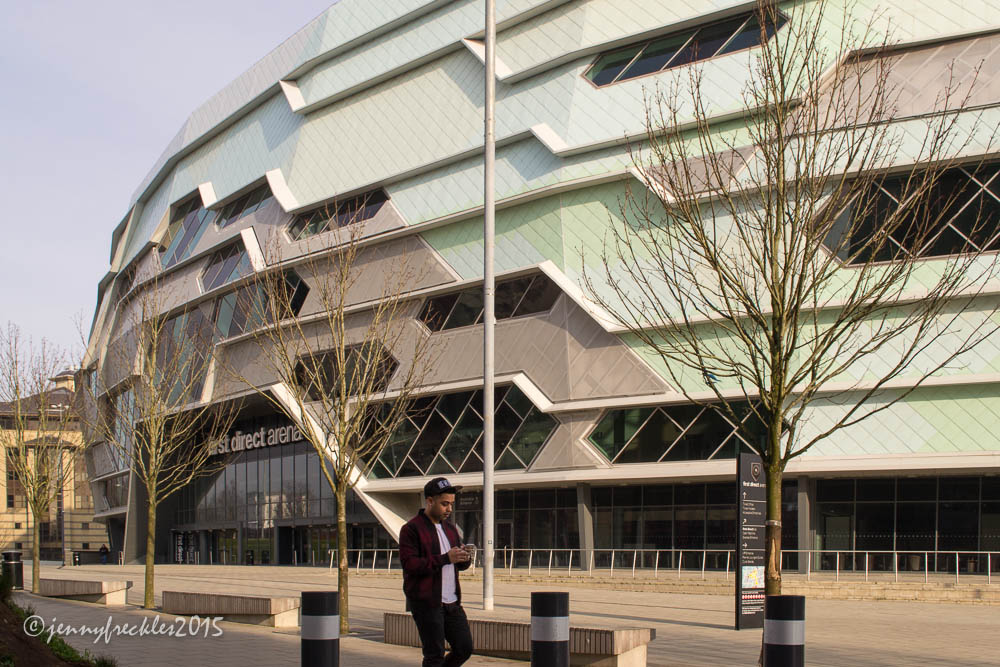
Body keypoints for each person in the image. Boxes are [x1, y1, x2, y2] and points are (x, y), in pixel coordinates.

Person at [399, 477, 474, 667]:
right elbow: (410, 565)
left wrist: (464, 557)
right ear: (430, 501)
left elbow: (457, 565)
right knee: (434, 655)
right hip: (427, 602)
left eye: (451, 504)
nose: (449, 509)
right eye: (444, 504)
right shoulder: (411, 529)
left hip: (452, 602)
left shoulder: (450, 529)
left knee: (464, 648)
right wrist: (445, 558)